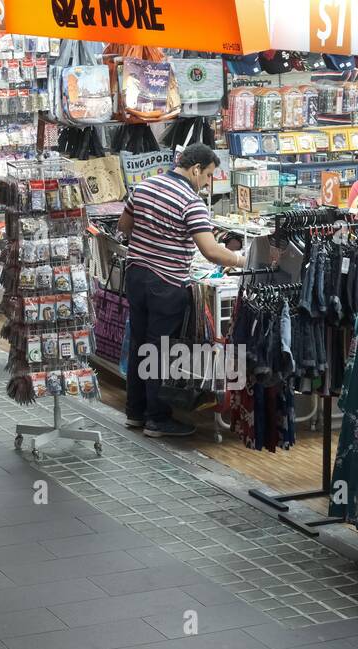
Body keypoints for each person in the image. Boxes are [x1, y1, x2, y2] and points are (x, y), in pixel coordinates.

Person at [116, 143, 245, 438]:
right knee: (159, 350)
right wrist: (241, 259)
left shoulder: (145, 185)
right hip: (166, 283)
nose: (208, 182)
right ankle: (156, 419)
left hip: (136, 275)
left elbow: (124, 226)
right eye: (209, 175)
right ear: (196, 169)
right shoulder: (191, 200)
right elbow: (211, 251)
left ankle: (135, 413)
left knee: (139, 343)